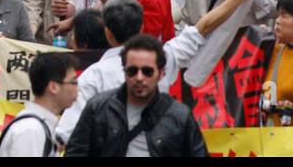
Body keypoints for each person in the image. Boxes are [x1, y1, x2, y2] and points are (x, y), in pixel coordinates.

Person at [56, 0, 261, 144]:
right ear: (141, 26)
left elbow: (66, 134)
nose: (139, 79)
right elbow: (204, 26)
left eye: (146, 72)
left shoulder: (94, 75)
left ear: (107, 33)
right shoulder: (164, 58)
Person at [64, 34, 209, 158]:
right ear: (124, 72)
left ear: (161, 74)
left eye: (147, 71)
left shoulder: (180, 117)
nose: (139, 78)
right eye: (132, 71)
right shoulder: (98, 109)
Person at [0, 51, 79, 156]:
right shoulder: (31, 130)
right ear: (53, 87)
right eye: (74, 82)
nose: (78, 89)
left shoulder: (37, 126)